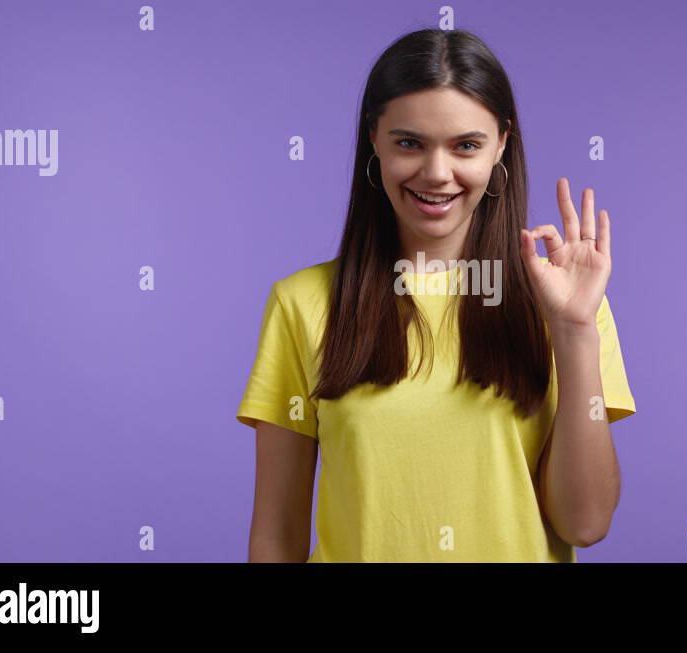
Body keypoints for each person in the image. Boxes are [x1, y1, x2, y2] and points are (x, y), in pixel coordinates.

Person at [236, 28, 636, 562]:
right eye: (409, 143)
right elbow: (276, 537)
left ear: (501, 146)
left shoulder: (566, 305)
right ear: (373, 140)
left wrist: (573, 330)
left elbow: (585, 523)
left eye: (465, 145)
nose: (437, 173)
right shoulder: (301, 303)